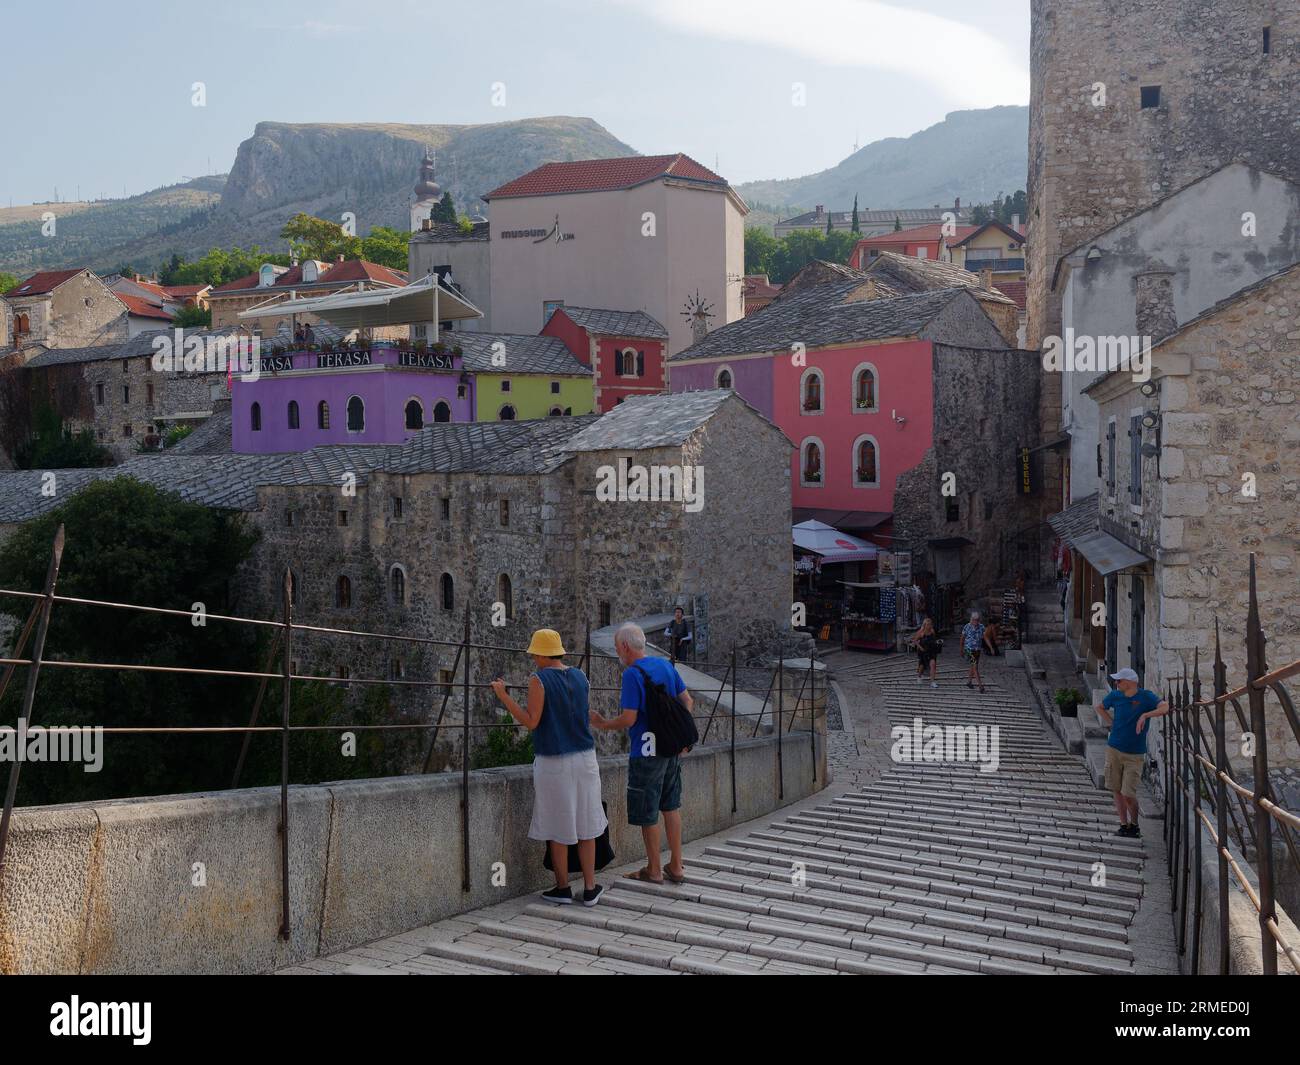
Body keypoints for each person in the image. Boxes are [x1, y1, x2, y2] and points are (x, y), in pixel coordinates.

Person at [490, 628, 607, 906]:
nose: (534, 660)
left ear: (542, 654)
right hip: (586, 758)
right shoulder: (581, 677)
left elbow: (532, 721)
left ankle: (563, 887)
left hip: (554, 759)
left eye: (535, 655)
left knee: (558, 826)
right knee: (587, 824)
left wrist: (503, 696)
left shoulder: (539, 679)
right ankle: (590, 888)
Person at [590, 622, 694, 885]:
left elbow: (628, 718)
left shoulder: (632, 674)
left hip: (646, 751)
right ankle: (677, 866)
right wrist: (680, 736)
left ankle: (655, 870)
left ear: (625, 646)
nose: (617, 653)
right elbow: (688, 701)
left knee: (648, 812)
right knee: (671, 806)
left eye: (616, 648)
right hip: (670, 750)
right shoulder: (666, 666)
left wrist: (602, 723)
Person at [1095, 668, 1168, 838]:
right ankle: (1123, 825)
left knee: (1128, 792)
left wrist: (1145, 715)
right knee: (1116, 789)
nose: (1116, 683)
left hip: (1134, 754)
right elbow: (1099, 707)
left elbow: (1165, 707)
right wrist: (1111, 724)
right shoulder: (1115, 696)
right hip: (1114, 748)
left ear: (1130, 682)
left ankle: (1134, 825)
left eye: (1119, 681)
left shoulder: (1146, 697)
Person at [960, 610, 996, 693]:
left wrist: (991, 647)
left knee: (973, 666)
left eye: (977, 620)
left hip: (977, 650)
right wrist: (961, 649)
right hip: (969, 649)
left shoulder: (982, 627)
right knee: (975, 667)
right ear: (971, 619)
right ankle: (980, 686)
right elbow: (962, 638)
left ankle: (969, 682)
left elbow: (985, 637)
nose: (976, 621)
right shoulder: (967, 627)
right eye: (974, 620)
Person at [909, 616, 941, 688]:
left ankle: (932, 681)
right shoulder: (921, 632)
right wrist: (920, 647)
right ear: (925, 625)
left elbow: (934, 639)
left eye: (930, 624)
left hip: (932, 650)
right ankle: (919, 676)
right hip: (923, 651)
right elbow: (914, 640)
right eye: (928, 625)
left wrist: (937, 643)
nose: (929, 626)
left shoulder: (932, 631)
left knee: (933, 664)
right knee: (922, 665)